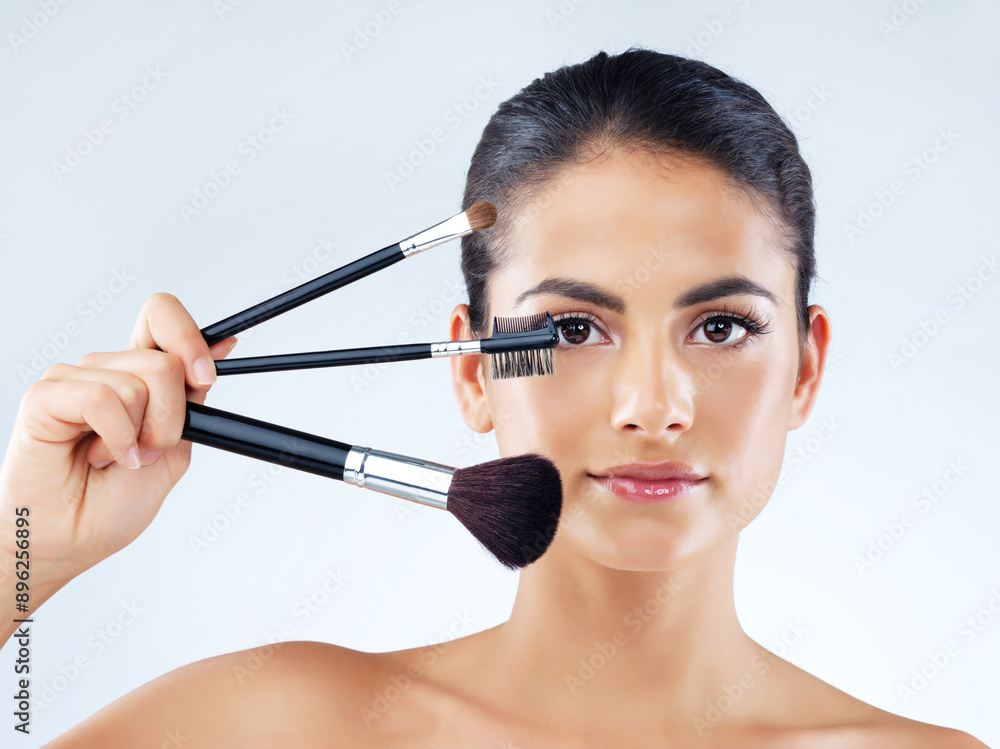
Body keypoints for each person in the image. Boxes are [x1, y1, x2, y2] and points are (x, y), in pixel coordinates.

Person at [1, 47, 986, 748]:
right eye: (570, 328)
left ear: (805, 369)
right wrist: (27, 547)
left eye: (721, 325)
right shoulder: (279, 721)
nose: (653, 403)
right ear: (474, 370)